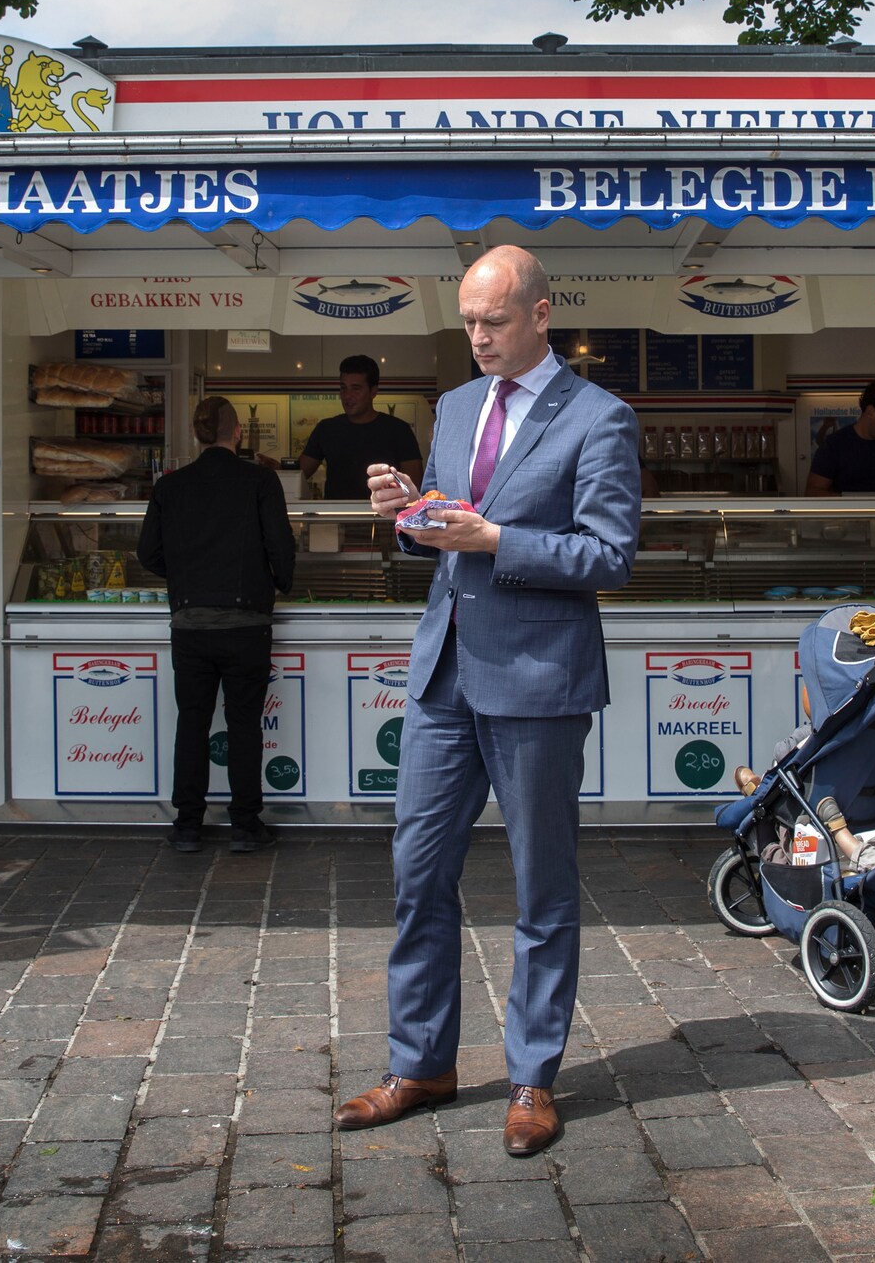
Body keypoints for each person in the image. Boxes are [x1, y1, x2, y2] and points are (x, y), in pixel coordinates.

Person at [347, 246, 640, 1158]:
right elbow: (443, 530)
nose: (477, 336)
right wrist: (409, 512)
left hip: (538, 679)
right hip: (444, 674)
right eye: (468, 320)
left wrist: (496, 537)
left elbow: (609, 554)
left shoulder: (600, 416)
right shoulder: (454, 406)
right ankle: (421, 1063)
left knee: (541, 885)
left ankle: (532, 1079)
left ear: (541, 314)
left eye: (494, 320)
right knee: (416, 872)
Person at [137, 395, 297, 855]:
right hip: (247, 624)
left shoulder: (170, 486)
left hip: (190, 624)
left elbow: (147, 552)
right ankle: (245, 825)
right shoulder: (260, 480)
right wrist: (278, 583)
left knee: (192, 723)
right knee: (244, 723)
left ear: (196, 435)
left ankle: (187, 825)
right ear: (238, 433)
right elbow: (280, 545)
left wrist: (186, 577)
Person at [298, 355, 424, 500]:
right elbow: (297, 474)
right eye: (343, 388)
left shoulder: (398, 430)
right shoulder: (326, 429)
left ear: (373, 391)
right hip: (336, 513)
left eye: (356, 389)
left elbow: (413, 487)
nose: (347, 395)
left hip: (385, 512)